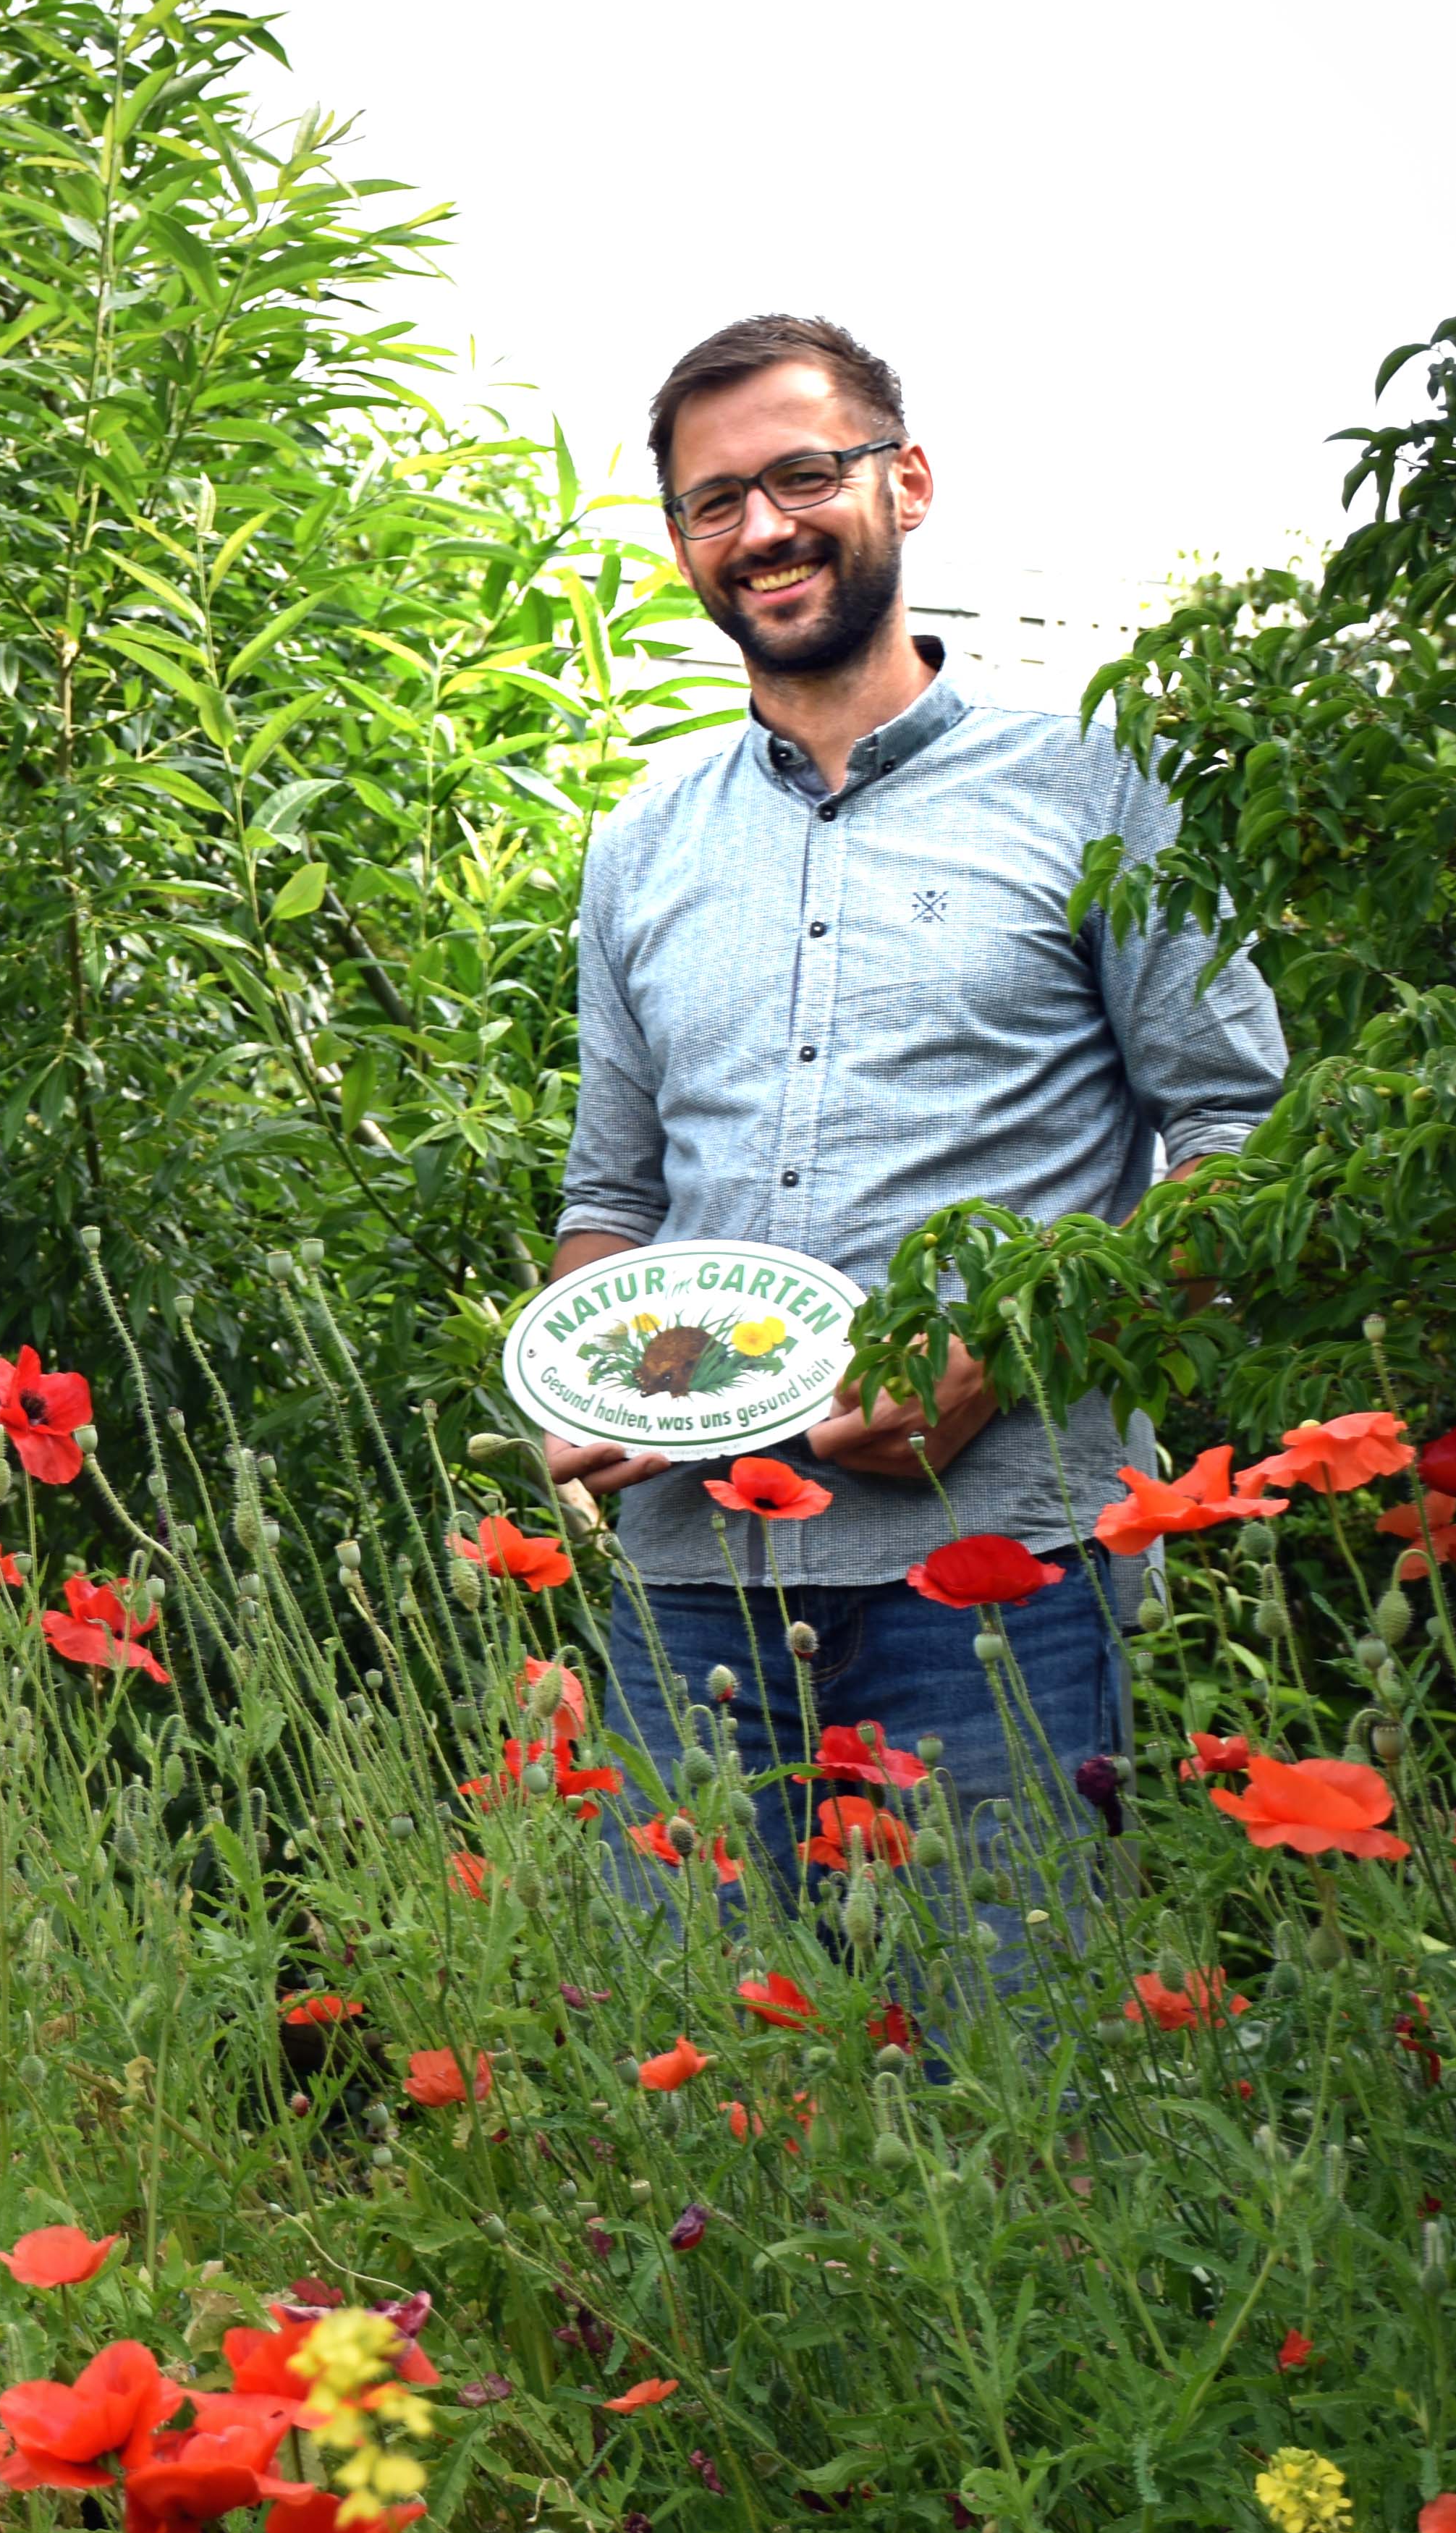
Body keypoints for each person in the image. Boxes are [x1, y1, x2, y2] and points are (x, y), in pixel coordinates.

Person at [548, 316, 1289, 1982]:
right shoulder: (639, 850)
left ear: (908, 480)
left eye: (802, 473)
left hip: (1000, 1564)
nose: (761, 528)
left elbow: (1236, 1130)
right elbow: (612, 1199)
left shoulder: (1099, 786)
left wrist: (1003, 1349)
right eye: (711, 499)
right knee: (696, 2078)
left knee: (1009, 2074)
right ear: (679, 541)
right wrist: (586, 1375)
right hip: (694, 1575)